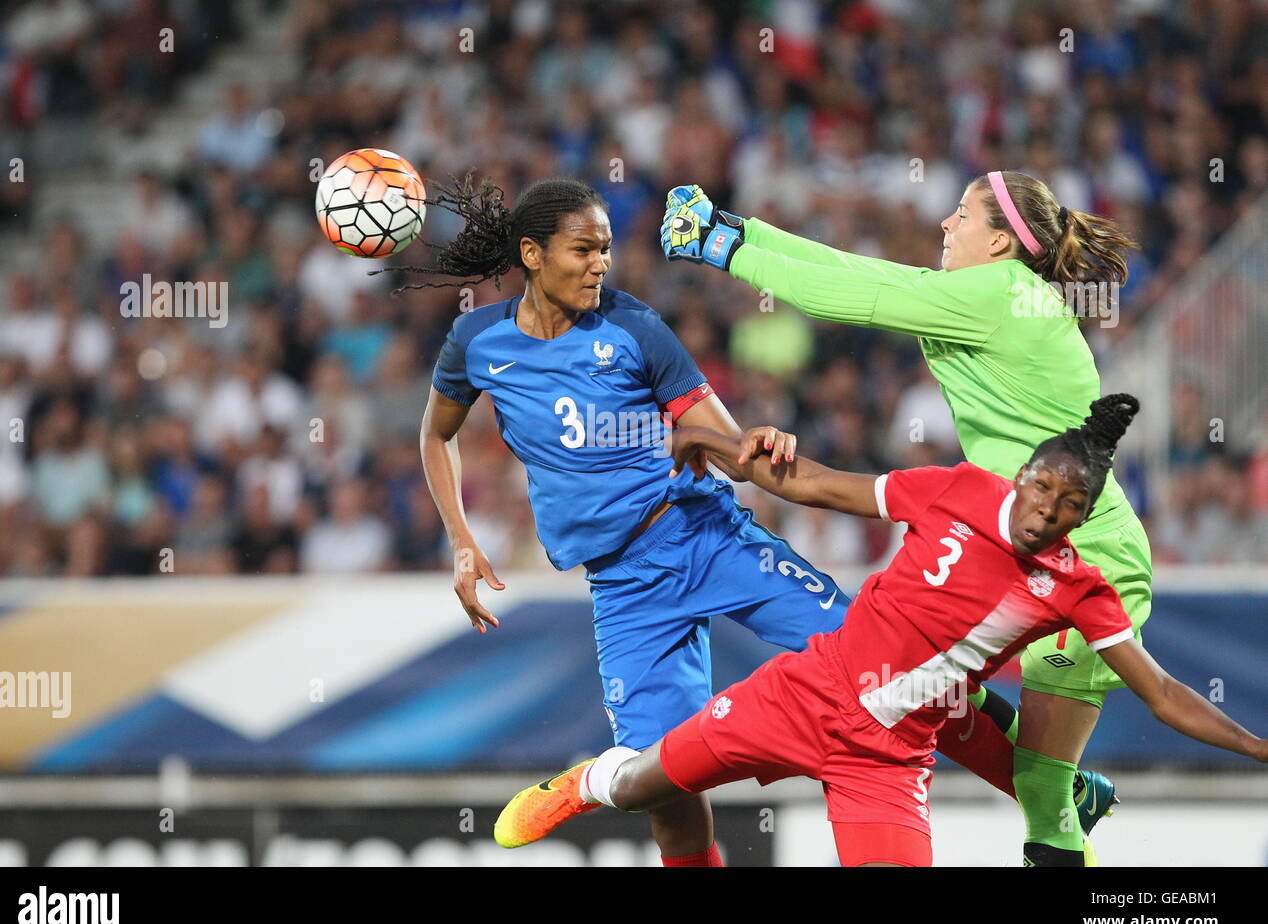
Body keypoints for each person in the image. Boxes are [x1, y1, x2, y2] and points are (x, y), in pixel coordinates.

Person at [494, 396, 1267, 866]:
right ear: (1024, 474)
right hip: (801, 694)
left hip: (888, 762)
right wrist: (730, 450)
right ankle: (583, 781)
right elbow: (826, 486)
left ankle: (1058, 791)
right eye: (1042, 488)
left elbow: (1162, 695)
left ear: (1083, 516)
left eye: (1069, 506)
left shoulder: (1078, 586)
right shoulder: (958, 489)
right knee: (638, 788)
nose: (1047, 510)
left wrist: (1259, 747)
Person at [659, 173, 1151, 865]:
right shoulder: (988, 293)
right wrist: (742, 232)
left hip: (1086, 556)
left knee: (1041, 799)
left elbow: (861, 298)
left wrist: (723, 252)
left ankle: (1062, 800)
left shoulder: (1002, 294)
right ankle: (1064, 787)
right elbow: (865, 273)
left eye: (961, 215)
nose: (945, 224)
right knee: (915, 683)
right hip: (1017, 550)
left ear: (1002, 241)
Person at [408, 175, 853, 866]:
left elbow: (732, 452)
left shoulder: (634, 326)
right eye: (583, 250)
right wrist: (462, 542)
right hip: (623, 585)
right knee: (666, 796)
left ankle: (1046, 787)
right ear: (531, 253)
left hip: (703, 538)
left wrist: (757, 447)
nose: (601, 264)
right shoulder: (476, 342)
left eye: (606, 249)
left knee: (879, 660)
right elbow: (436, 436)